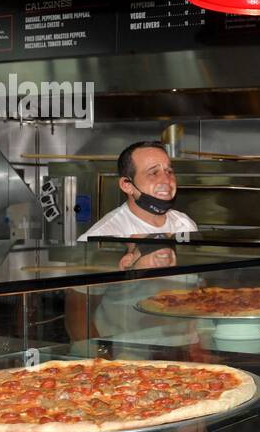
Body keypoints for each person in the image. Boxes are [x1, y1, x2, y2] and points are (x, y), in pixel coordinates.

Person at [68, 142, 200, 348]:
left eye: (169, 171)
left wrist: (197, 345)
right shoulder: (103, 237)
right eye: (153, 173)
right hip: (127, 353)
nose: (166, 180)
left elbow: (193, 296)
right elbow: (78, 315)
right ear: (127, 185)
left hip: (182, 350)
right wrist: (101, 359)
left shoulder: (185, 224)